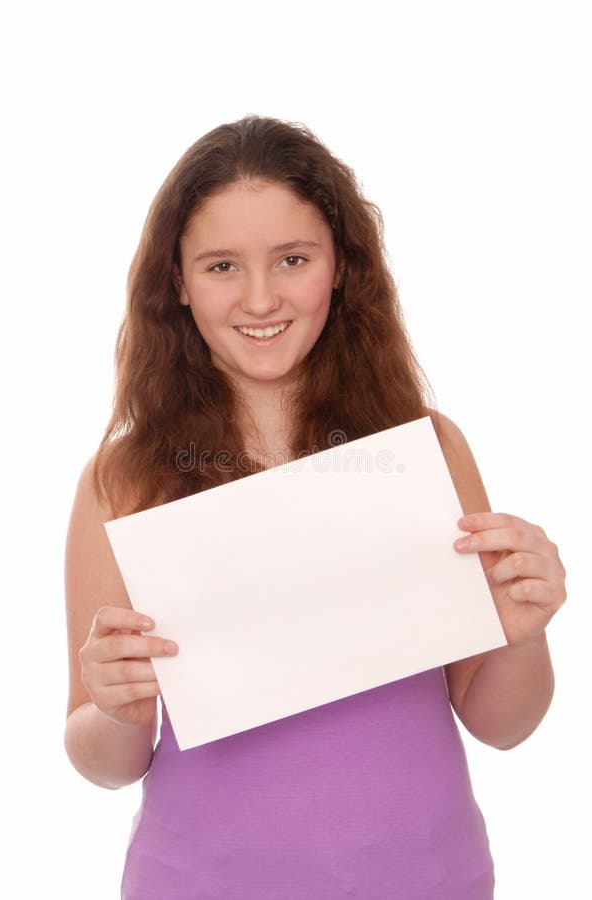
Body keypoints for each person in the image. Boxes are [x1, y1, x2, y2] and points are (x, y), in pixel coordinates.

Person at [64, 115, 567, 899]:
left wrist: (521, 633)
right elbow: (101, 759)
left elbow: (502, 723)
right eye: (222, 265)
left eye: (292, 260)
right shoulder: (123, 479)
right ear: (177, 282)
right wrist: (114, 705)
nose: (260, 297)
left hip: (428, 880)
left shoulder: (426, 449)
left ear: (339, 267)